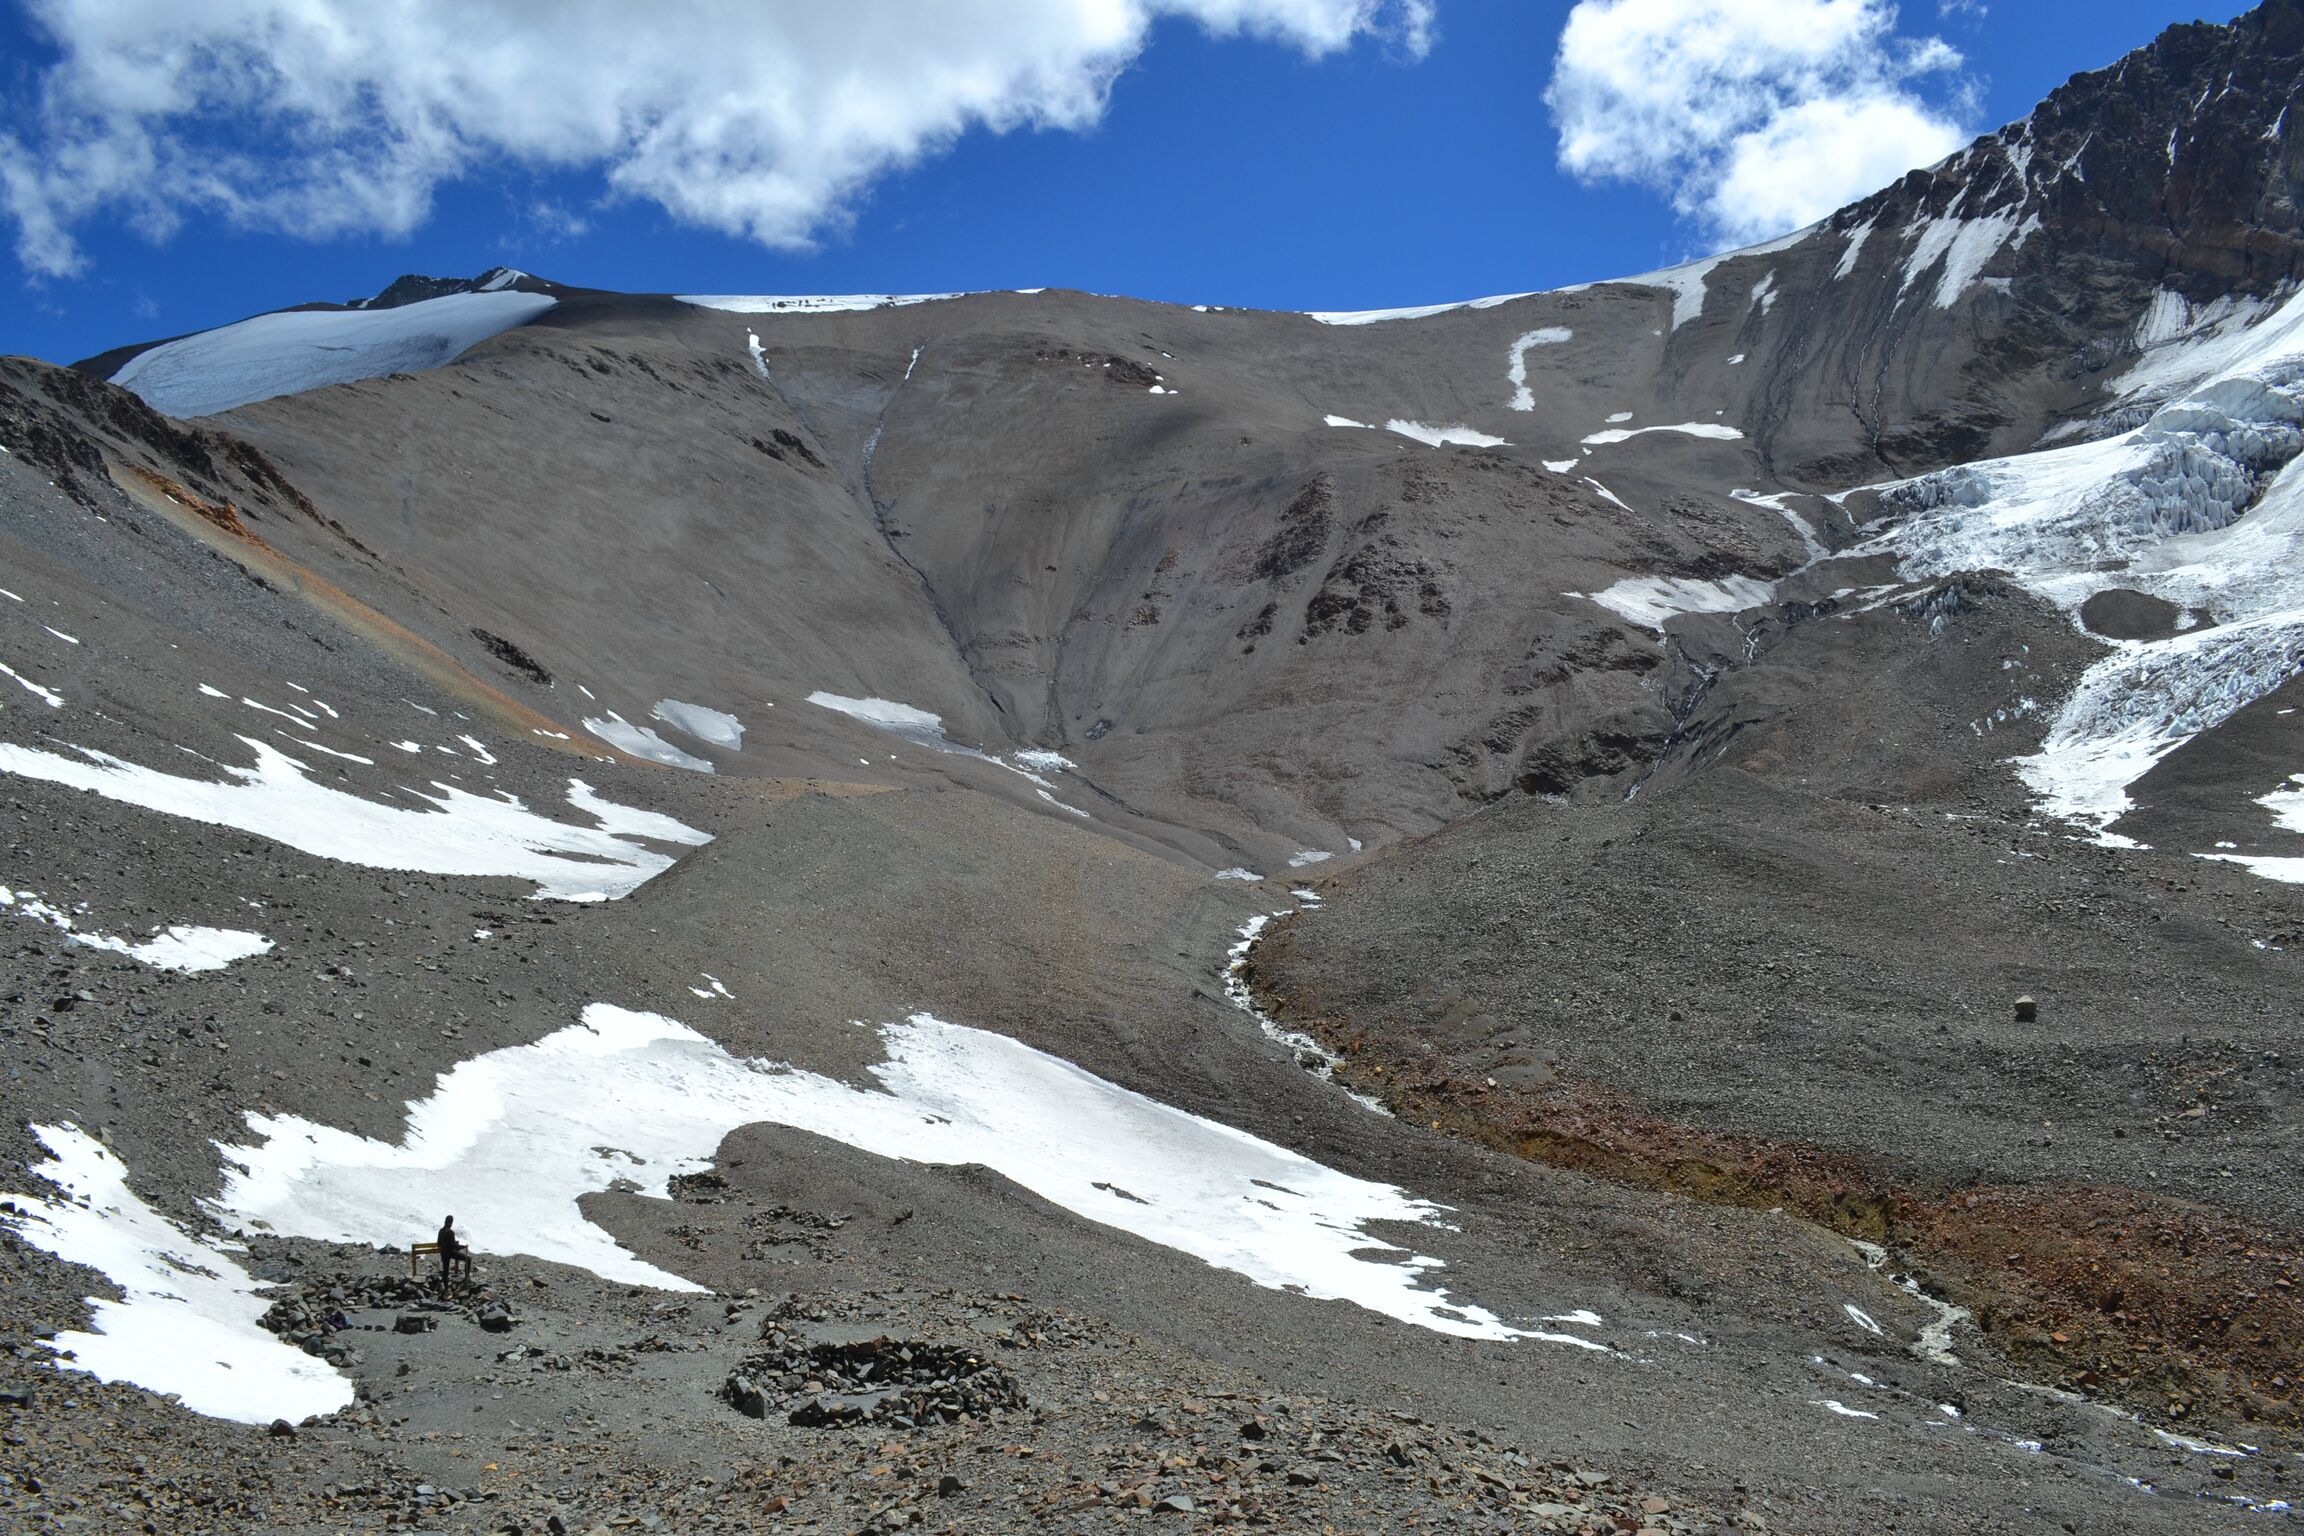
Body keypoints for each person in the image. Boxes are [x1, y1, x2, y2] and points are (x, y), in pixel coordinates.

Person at [436, 1215, 474, 1282]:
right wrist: (463, 1246)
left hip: (443, 1253)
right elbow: (453, 1246)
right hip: (451, 1253)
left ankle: (445, 1288)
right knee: (468, 1259)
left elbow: (438, 1243)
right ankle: (466, 1277)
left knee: (445, 1271)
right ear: (451, 1223)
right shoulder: (451, 1232)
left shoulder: (441, 1231)